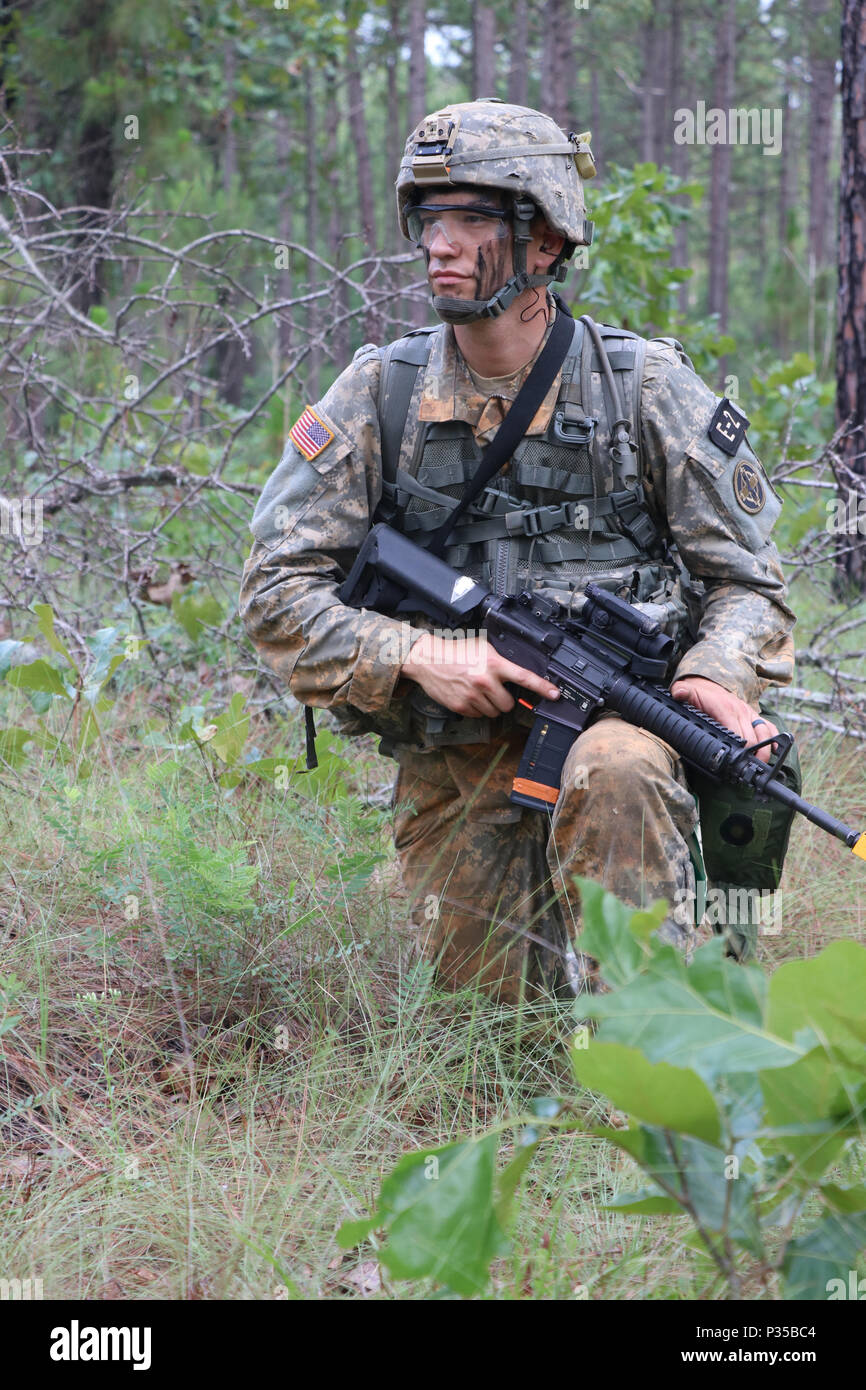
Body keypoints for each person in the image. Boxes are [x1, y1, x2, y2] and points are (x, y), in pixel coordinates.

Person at [239, 99, 795, 1003]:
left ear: (545, 241)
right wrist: (417, 652)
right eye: (429, 220)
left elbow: (750, 582)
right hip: (459, 761)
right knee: (486, 1045)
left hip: (618, 727)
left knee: (619, 769)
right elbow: (274, 593)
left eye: (472, 220)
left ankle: (653, 1066)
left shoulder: (645, 388)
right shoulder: (379, 393)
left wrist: (714, 675)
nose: (439, 246)